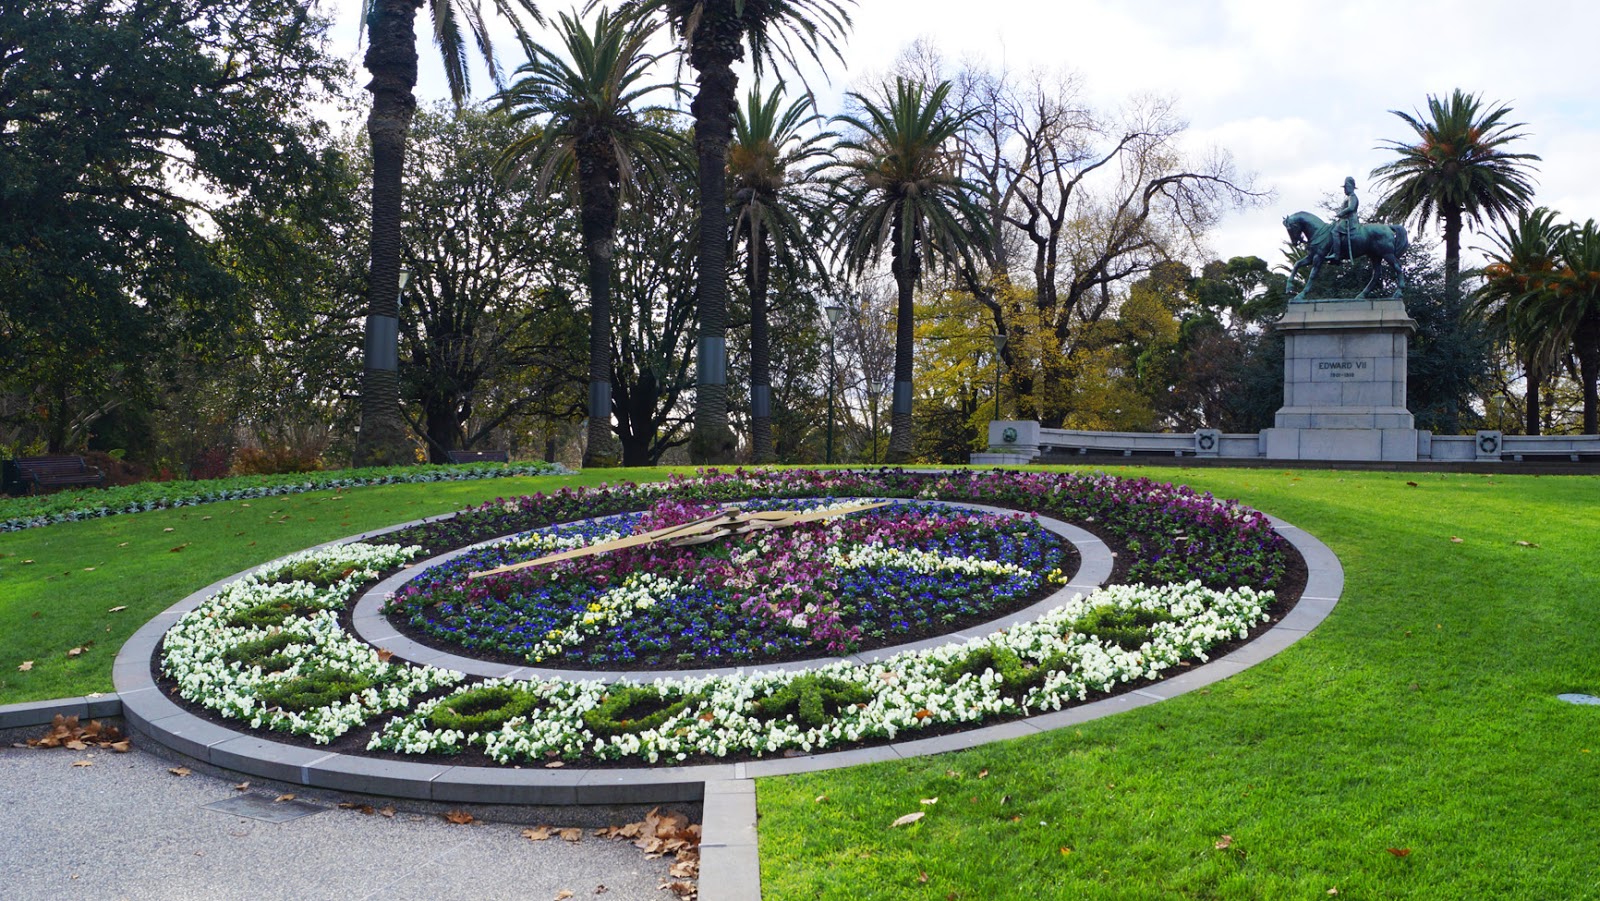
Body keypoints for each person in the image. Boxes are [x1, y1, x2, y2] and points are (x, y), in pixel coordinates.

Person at [1326, 176, 1358, 261]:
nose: (1345, 190)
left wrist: (1341, 213)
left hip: (1350, 220)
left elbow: (1351, 208)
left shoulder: (1352, 196)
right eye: (1344, 188)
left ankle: (1336, 254)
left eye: (1346, 187)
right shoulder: (1348, 197)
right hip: (1344, 219)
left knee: (1335, 231)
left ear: (1351, 187)